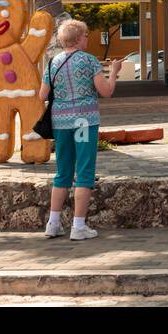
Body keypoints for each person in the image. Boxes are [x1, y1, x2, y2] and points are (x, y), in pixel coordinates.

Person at [41, 20, 118, 240]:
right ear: (78, 38)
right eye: (85, 35)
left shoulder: (53, 62)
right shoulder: (90, 61)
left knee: (62, 171)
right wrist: (113, 72)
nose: (87, 38)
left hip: (60, 121)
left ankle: (53, 223)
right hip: (84, 120)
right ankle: (78, 226)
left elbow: (42, 95)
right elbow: (106, 91)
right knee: (84, 169)